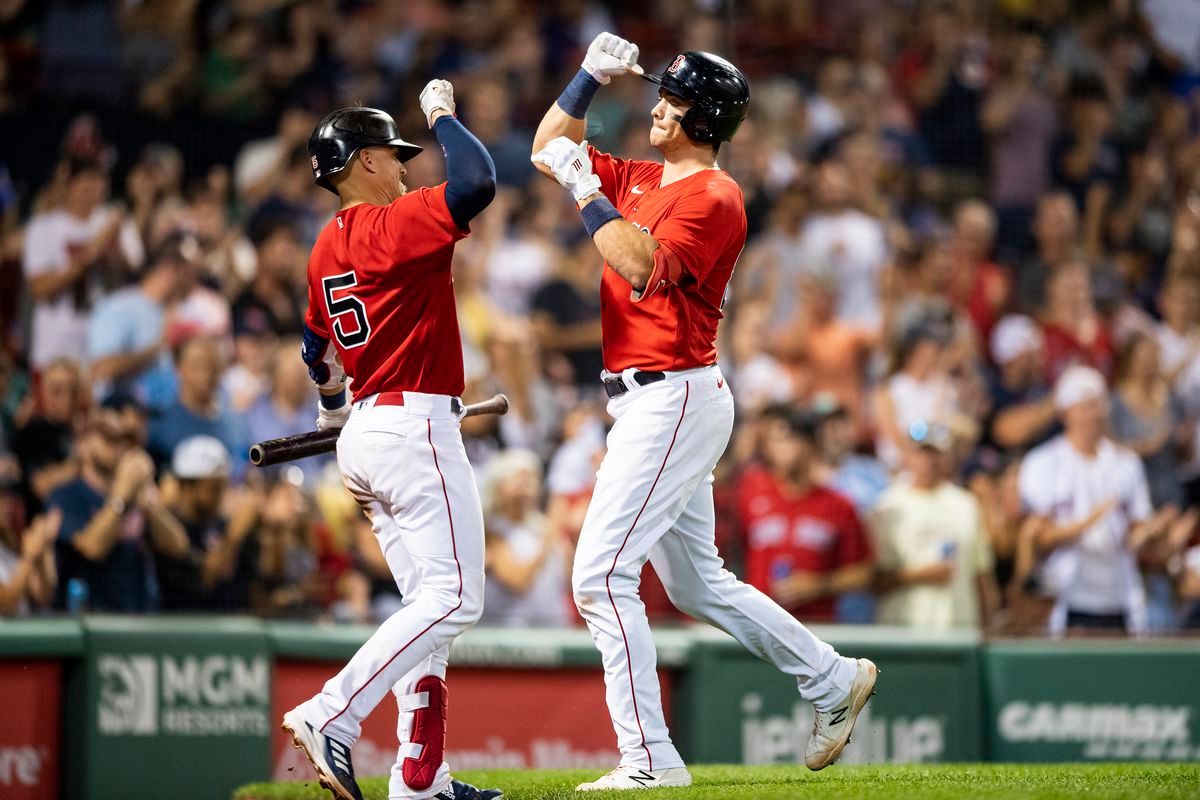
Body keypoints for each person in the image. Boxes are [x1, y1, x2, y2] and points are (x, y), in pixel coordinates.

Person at [531, 35, 876, 789]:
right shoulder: (651, 178)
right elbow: (546, 146)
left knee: (598, 576)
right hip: (656, 400)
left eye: (673, 101)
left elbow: (640, 268)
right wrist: (588, 75)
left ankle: (650, 762)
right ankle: (830, 678)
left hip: (672, 396)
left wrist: (585, 190)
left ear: (705, 118)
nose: (657, 106)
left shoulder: (715, 197)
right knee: (695, 584)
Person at [280, 83, 502, 800]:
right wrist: (441, 113)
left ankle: (419, 778)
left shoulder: (322, 248)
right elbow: (477, 181)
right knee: (458, 597)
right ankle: (331, 714)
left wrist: (332, 407)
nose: (407, 167)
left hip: (368, 432)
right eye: (397, 156)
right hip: (411, 430)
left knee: (426, 612)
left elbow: (316, 347)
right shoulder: (391, 222)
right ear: (368, 160)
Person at [1017, 366, 1167, 635]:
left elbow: (1135, 529)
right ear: (1065, 412)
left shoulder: (1125, 463)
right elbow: (1037, 537)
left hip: (1119, 593)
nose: (1091, 415)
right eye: (1083, 407)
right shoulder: (1042, 462)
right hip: (1066, 593)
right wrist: (1090, 520)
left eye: (1096, 406)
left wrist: (1150, 532)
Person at [735, 406, 873, 623]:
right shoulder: (750, 493)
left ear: (809, 444)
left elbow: (864, 572)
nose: (776, 448)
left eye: (785, 438)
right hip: (758, 625)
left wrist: (820, 584)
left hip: (816, 629)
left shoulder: (838, 505)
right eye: (772, 440)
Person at [47, 406, 189, 612]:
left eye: (123, 440)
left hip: (138, 615)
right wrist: (120, 497)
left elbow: (178, 547)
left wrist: (149, 504)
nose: (118, 447)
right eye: (108, 439)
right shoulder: (67, 495)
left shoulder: (136, 492)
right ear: (83, 445)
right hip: (89, 617)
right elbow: (92, 548)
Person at [870, 422, 998, 630]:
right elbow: (872, 580)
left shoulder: (965, 504)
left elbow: (981, 572)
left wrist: (989, 624)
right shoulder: (886, 507)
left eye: (935, 454)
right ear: (907, 456)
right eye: (921, 453)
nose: (928, 461)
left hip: (959, 626)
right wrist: (918, 575)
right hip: (904, 628)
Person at [156, 435, 260, 611]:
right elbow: (205, 579)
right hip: (183, 626)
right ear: (187, 486)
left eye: (223, 486)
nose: (220, 495)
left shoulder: (218, 524)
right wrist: (234, 536)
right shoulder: (169, 528)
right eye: (213, 488)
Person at [479, 448, 571, 628]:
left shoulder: (542, 527)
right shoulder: (489, 529)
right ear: (498, 487)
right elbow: (518, 581)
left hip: (555, 626)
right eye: (521, 478)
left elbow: (569, 581)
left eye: (533, 478)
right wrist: (548, 540)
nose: (528, 485)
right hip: (509, 635)